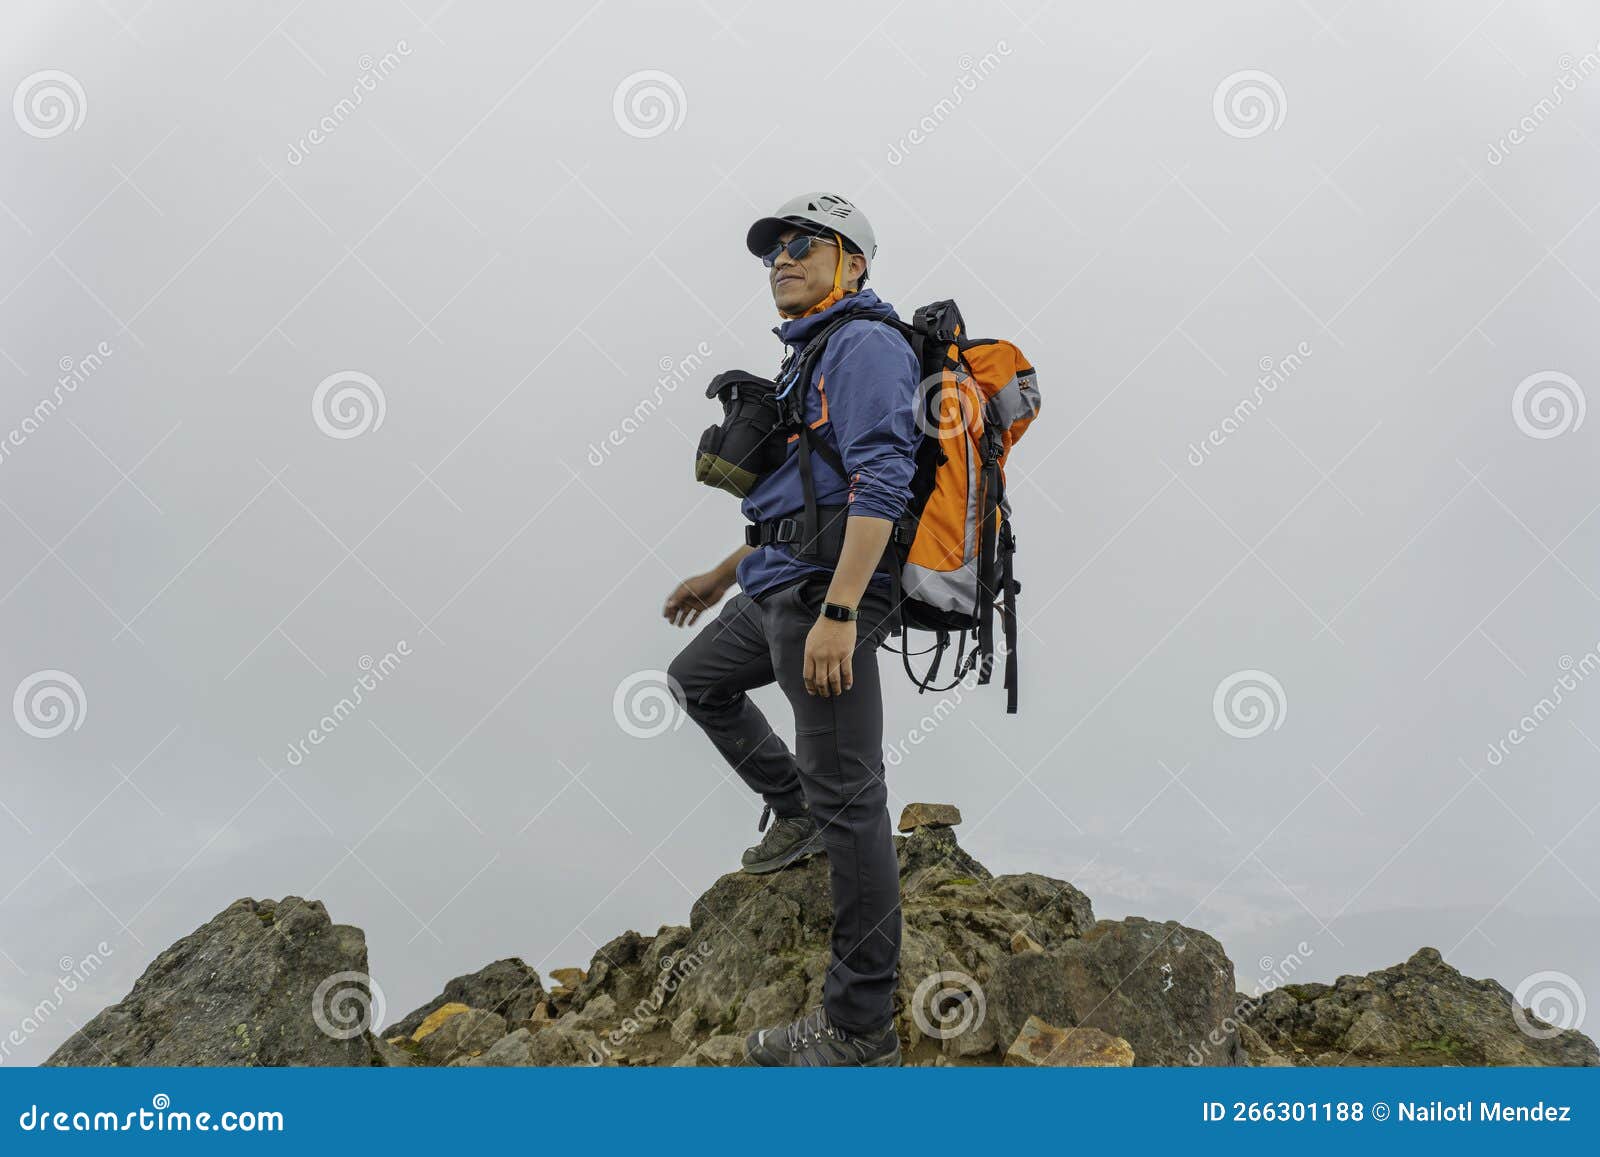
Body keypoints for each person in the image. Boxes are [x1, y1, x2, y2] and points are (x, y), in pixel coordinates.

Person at [663, 193, 918, 1066]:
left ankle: (859, 1030)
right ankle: (793, 807)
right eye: (773, 250)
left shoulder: (864, 346)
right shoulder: (808, 354)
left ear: (854, 261)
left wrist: (842, 611)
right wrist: (718, 573)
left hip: (824, 592)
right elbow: (798, 496)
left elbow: (881, 483)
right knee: (698, 678)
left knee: (856, 804)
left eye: (805, 244)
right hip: (777, 579)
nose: (783, 257)